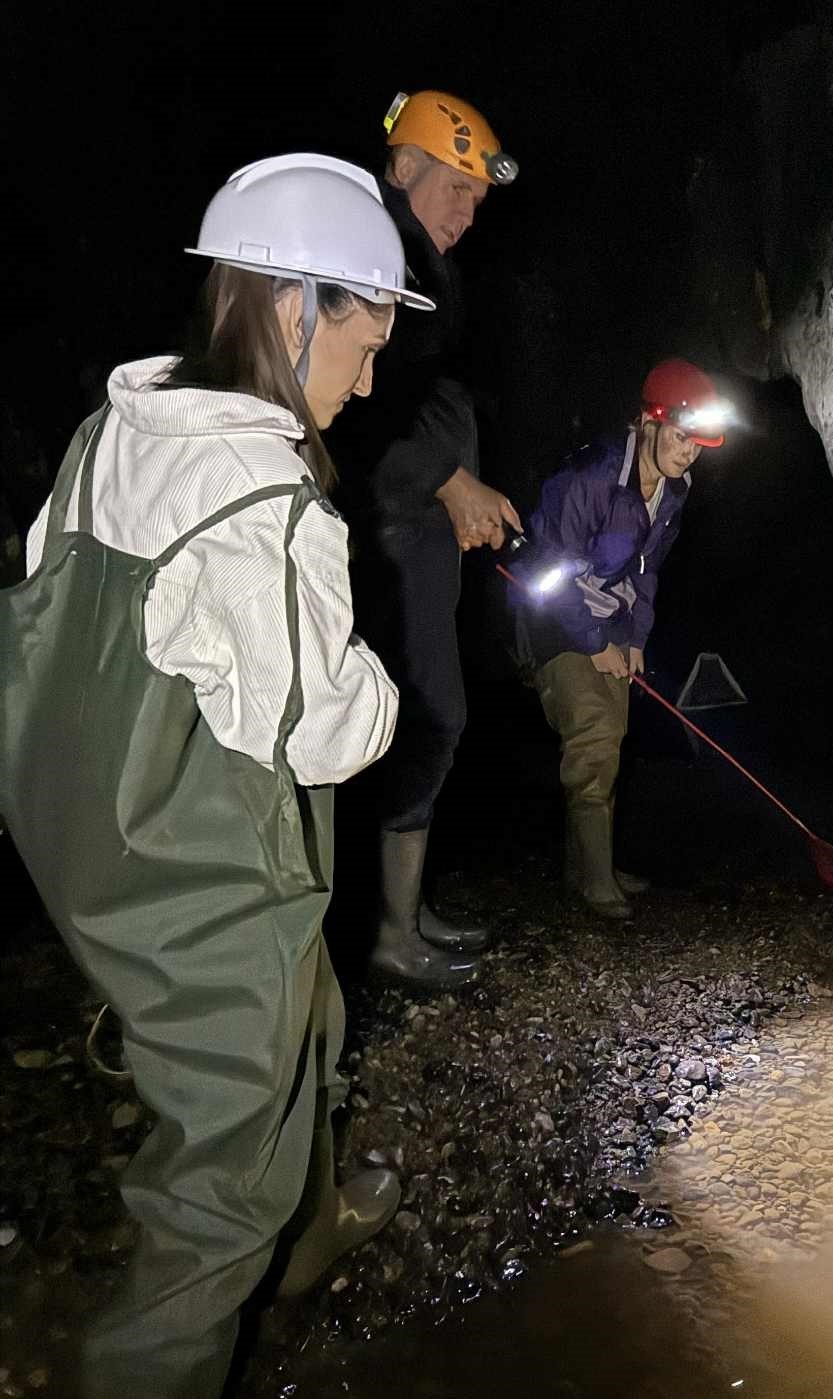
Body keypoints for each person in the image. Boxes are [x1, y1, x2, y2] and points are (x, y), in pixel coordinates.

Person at [0, 153, 433, 1399]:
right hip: (194, 873)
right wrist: (387, 680)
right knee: (220, 1170)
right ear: (299, 308)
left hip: (83, 843)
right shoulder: (260, 491)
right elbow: (328, 733)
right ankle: (171, 1342)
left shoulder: (106, 435)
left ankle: (308, 1238)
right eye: (370, 331)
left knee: (314, 1018)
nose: (372, 367)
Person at [332, 89, 522, 987]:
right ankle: (382, 931)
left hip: (422, 533)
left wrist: (461, 493)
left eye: (480, 199)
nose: (468, 210)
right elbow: (360, 414)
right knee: (415, 713)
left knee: (428, 714)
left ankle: (400, 915)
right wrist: (453, 481)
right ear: (402, 168)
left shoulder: (422, 264)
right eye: (455, 186)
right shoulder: (371, 254)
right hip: (389, 533)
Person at [515, 358, 731, 918]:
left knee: (612, 733)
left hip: (608, 618)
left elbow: (647, 569)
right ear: (649, 422)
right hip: (550, 620)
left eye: (700, 444)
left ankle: (590, 866)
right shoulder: (590, 479)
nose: (690, 453)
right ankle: (595, 883)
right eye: (683, 439)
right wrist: (594, 643)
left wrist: (634, 638)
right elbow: (552, 576)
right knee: (595, 735)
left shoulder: (675, 489)